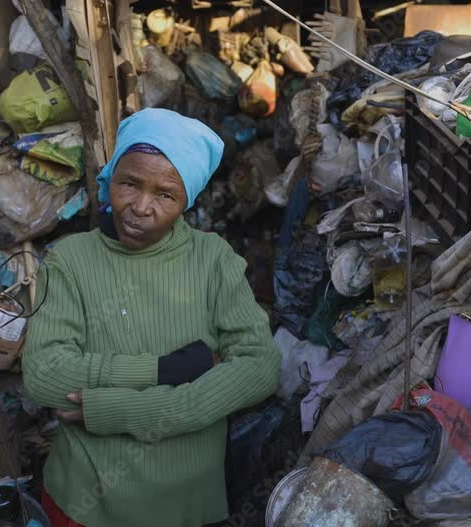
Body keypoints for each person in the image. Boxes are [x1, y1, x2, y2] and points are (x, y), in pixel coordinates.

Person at [23, 108, 281, 527]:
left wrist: (122, 411)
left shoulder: (213, 260)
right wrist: (167, 369)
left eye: (165, 195)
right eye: (129, 183)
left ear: (186, 201)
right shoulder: (71, 259)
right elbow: (44, 376)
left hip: (186, 505)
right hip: (87, 504)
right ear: (110, 179)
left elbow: (260, 366)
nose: (141, 207)